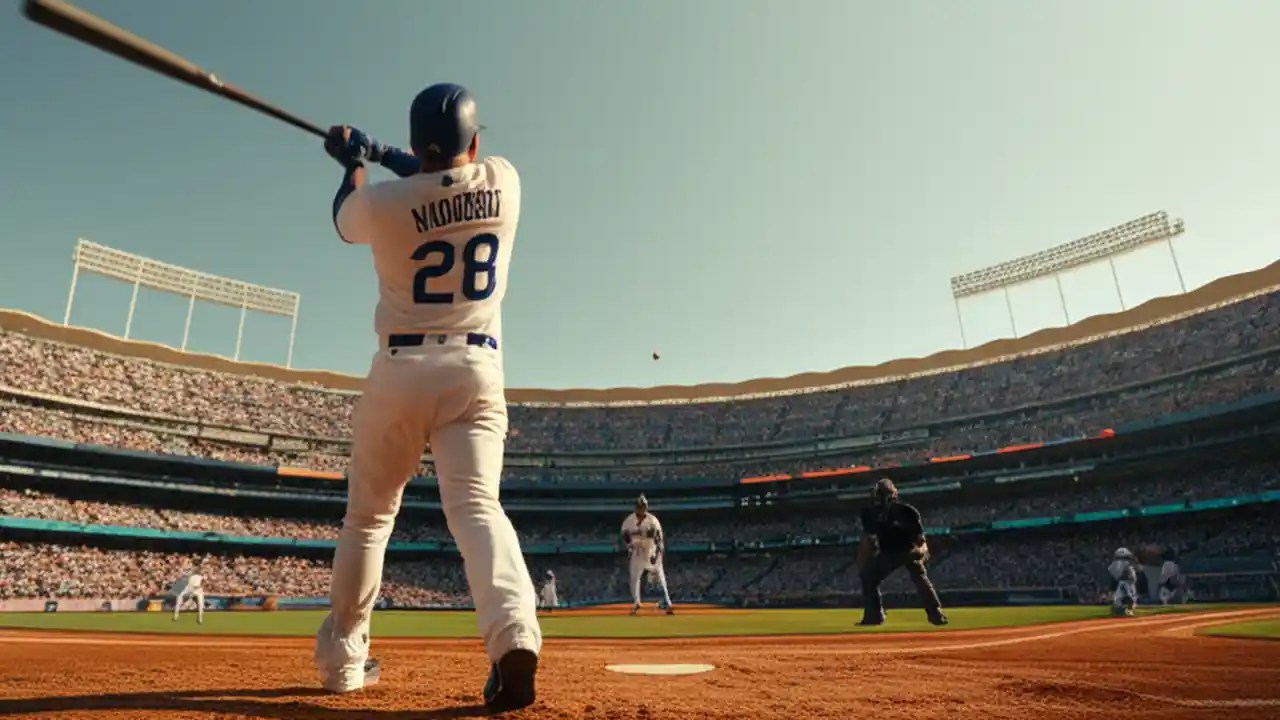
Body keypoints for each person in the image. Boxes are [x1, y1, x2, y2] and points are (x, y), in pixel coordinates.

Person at [313, 82, 541, 713]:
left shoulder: (383, 204)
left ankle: (345, 663)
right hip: (476, 368)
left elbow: (344, 217)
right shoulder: (505, 180)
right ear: (474, 141)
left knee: (369, 519)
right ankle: (514, 635)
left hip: (401, 368)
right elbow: (444, 177)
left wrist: (355, 161)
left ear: (417, 143)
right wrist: (380, 151)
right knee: (477, 510)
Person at [857, 478, 947, 626]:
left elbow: (869, 542)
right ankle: (935, 613)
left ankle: (875, 615)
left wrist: (921, 552)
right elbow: (920, 539)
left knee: (868, 577)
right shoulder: (905, 510)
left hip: (900, 550)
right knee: (919, 577)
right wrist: (922, 553)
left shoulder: (878, 513)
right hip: (902, 550)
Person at [620, 494, 673, 615]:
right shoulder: (629, 521)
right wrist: (628, 547)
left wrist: (658, 554)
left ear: (646, 507)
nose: (641, 509)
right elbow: (624, 536)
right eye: (639, 506)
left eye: (643, 506)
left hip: (651, 549)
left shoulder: (653, 521)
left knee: (660, 577)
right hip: (637, 550)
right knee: (634, 577)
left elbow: (659, 540)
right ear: (635, 507)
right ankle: (636, 603)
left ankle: (668, 603)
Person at [1109, 547, 1140, 616]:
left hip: (1128, 582)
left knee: (1129, 598)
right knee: (1118, 601)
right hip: (1125, 583)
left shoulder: (1127, 565)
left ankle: (1128, 610)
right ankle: (1123, 610)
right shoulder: (1125, 564)